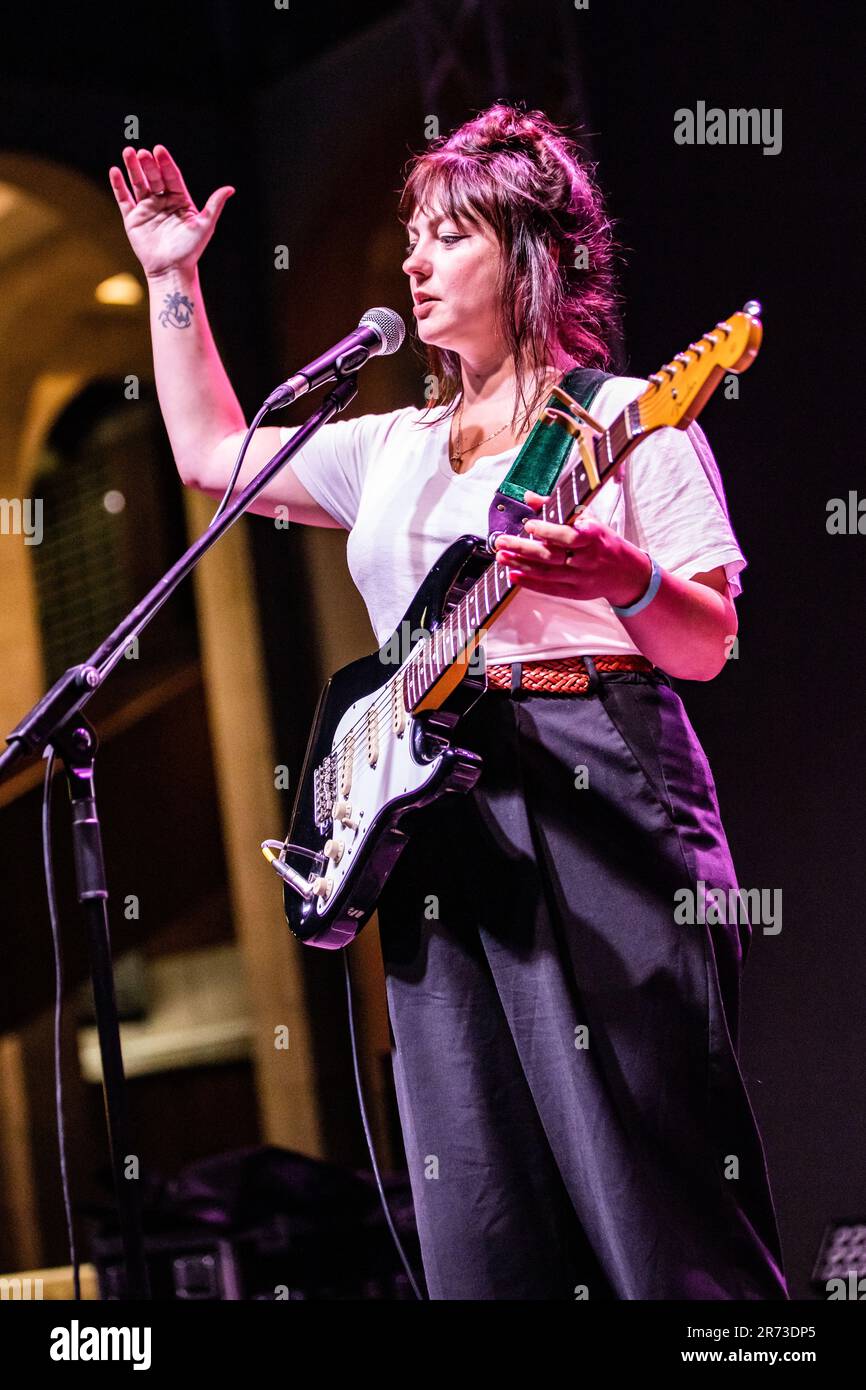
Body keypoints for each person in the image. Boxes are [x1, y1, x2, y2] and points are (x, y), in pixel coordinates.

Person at [109, 102, 789, 1301]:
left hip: (597, 782)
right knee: (478, 1208)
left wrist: (621, 576)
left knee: (650, 1189)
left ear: (528, 258)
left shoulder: (632, 417)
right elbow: (214, 456)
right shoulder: (394, 445)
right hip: (431, 812)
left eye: (447, 235)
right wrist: (173, 280)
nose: (413, 260)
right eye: (411, 235)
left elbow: (706, 643)